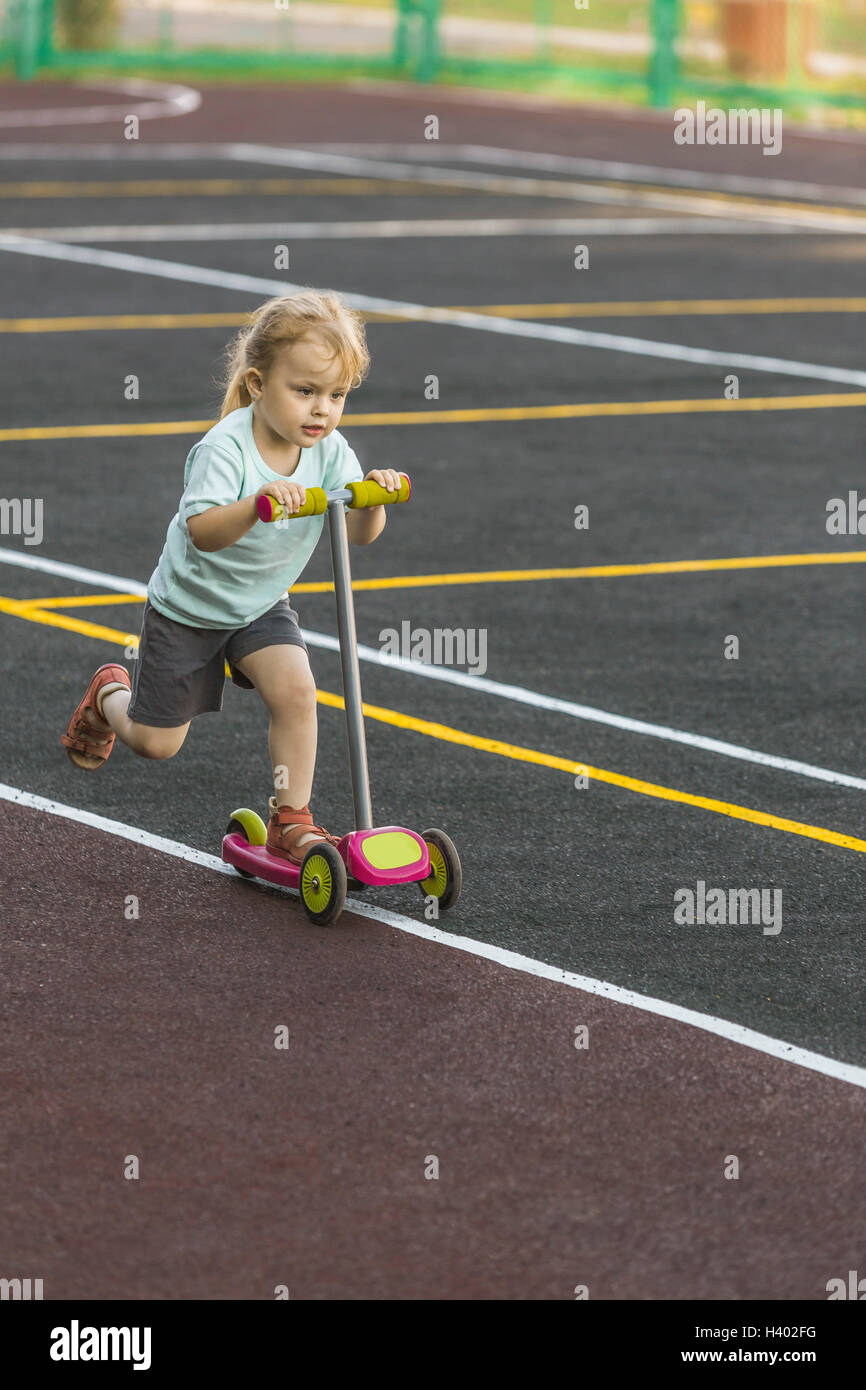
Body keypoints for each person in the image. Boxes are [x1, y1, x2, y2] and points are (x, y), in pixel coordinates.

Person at [60, 289, 401, 864]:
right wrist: (258, 503)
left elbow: (360, 535)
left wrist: (374, 498)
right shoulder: (225, 449)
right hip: (189, 610)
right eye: (306, 391)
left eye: (337, 395)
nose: (322, 410)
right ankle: (109, 695)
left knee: (297, 692)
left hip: (261, 606)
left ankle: (292, 820)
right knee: (155, 742)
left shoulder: (331, 450)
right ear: (257, 384)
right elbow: (204, 532)